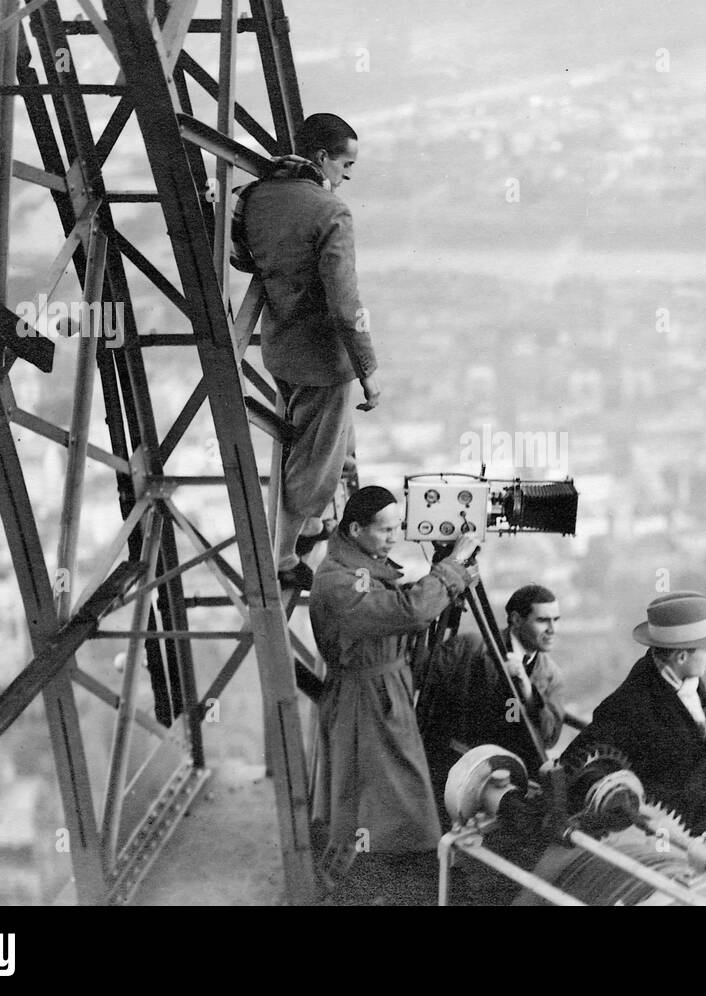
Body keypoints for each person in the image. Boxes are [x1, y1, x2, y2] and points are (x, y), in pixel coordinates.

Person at [308, 485, 478, 898]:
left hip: (382, 691)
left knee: (387, 790)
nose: (394, 537)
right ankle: (372, 882)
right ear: (355, 529)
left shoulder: (360, 565)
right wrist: (452, 567)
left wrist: (442, 575)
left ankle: (388, 874)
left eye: (398, 527)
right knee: (376, 794)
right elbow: (406, 611)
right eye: (385, 530)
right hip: (365, 699)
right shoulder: (337, 580)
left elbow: (399, 603)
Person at [241, 112, 379, 590]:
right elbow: (345, 304)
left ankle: (316, 525)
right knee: (313, 469)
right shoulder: (330, 212)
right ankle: (281, 557)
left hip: (280, 350)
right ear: (322, 158)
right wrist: (368, 370)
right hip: (323, 361)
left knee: (326, 444)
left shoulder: (254, 196)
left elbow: (241, 258)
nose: (347, 174)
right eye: (345, 163)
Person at [565, 590, 706, 857]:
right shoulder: (633, 705)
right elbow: (584, 756)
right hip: (663, 816)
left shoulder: (683, 678)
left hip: (691, 799)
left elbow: (693, 745)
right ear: (681, 656)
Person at [416, 584, 566, 817]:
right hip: (447, 773)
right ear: (516, 619)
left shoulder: (550, 675)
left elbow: (549, 738)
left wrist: (528, 692)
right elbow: (418, 679)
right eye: (543, 620)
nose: (552, 629)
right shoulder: (470, 647)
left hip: (508, 783)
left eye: (556, 620)